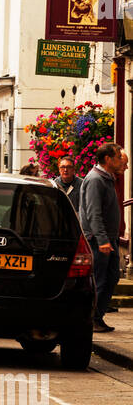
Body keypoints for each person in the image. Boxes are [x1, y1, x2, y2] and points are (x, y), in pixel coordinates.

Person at [79, 141, 124, 333]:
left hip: (109, 239)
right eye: (119, 158)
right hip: (99, 241)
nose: (122, 162)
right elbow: (93, 213)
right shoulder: (95, 180)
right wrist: (102, 239)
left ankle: (98, 317)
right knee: (99, 280)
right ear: (108, 159)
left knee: (111, 277)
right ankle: (92, 319)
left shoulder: (106, 178)